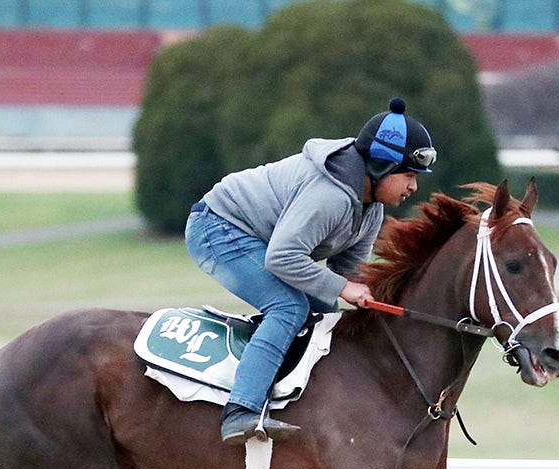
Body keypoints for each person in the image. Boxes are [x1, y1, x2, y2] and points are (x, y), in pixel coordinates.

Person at [185, 97, 437, 445]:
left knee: (325, 315)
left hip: (261, 240)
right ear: (380, 167)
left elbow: (349, 274)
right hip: (217, 228)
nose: (413, 187)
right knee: (290, 307)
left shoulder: (371, 210)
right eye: (409, 175)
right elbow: (282, 258)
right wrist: (343, 288)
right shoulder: (329, 196)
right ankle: (240, 411)